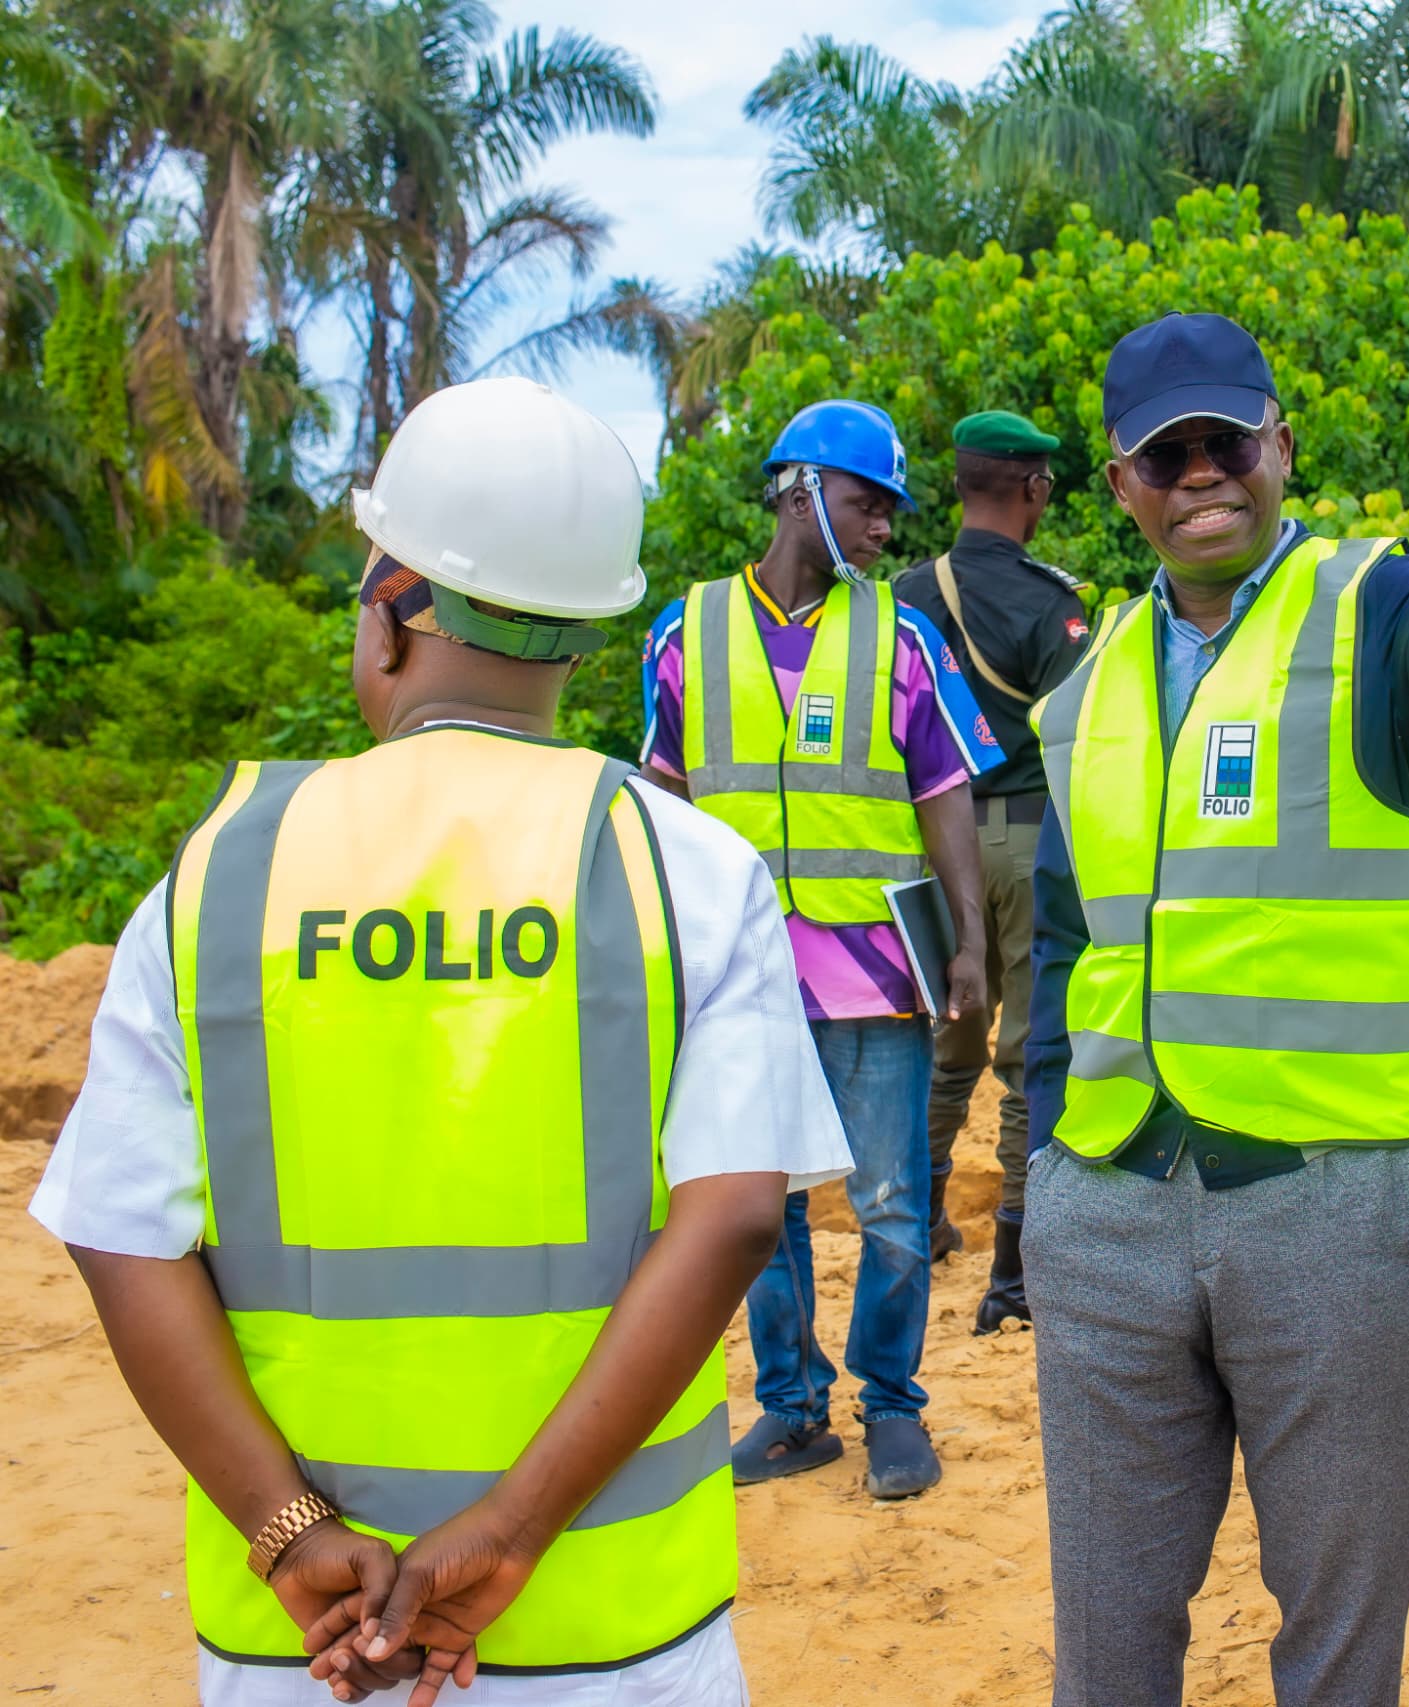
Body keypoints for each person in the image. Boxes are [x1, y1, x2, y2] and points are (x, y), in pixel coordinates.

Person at [30, 376, 853, 1704]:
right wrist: (516, 1525)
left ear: (395, 602)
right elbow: (736, 1218)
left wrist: (289, 1531)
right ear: (587, 629)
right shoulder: (681, 867)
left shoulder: (219, 877)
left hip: (310, 1639)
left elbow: (121, 1232)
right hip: (609, 1627)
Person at [1020, 225, 1409, 1707]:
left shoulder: (1377, 614)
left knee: (1336, 1633)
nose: (1202, 471)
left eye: (1228, 441)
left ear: (1281, 444)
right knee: (1108, 1634)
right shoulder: (1082, 696)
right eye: (1166, 452)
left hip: (1334, 1205)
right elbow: (1065, 955)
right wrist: (1039, 1190)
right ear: (1122, 483)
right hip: (1109, 1202)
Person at [640, 398, 1002, 1500]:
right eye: (868, 504)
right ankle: (792, 1411)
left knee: (892, 1202)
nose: (888, 528)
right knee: (763, 1208)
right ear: (800, 492)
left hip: (876, 978)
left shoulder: (901, 636)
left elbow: (944, 797)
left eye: (891, 510)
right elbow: (660, 804)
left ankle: (891, 1406)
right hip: (739, 984)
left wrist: (970, 951)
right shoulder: (683, 633)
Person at [892, 408, 1093, 1331]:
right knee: (1025, 1056)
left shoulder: (900, 598)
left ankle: (917, 1224)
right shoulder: (1051, 602)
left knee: (944, 1050)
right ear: (1032, 490)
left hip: (928, 845)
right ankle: (1011, 1276)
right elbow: (1078, 734)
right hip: (1023, 831)